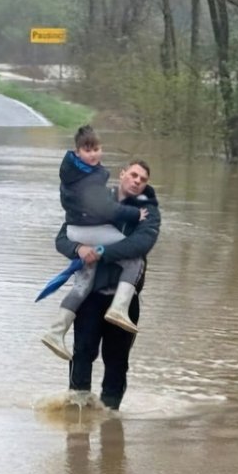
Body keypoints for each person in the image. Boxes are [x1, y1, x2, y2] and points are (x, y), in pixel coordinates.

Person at [54, 160, 159, 410]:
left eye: (142, 179)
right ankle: (76, 417)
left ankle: (110, 419)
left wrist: (100, 251)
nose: (136, 181)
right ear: (122, 174)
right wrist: (78, 249)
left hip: (125, 300)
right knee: (82, 355)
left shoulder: (149, 211)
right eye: (133, 175)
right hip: (90, 297)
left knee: (117, 362)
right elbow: (63, 237)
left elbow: (140, 245)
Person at [41, 126, 148, 360]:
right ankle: (119, 308)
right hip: (87, 230)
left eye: (97, 149)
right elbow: (105, 208)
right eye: (88, 150)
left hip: (76, 230)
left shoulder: (73, 173)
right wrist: (134, 216)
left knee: (83, 283)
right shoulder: (88, 177)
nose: (93, 155)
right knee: (134, 259)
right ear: (77, 152)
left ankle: (55, 331)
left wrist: (86, 249)